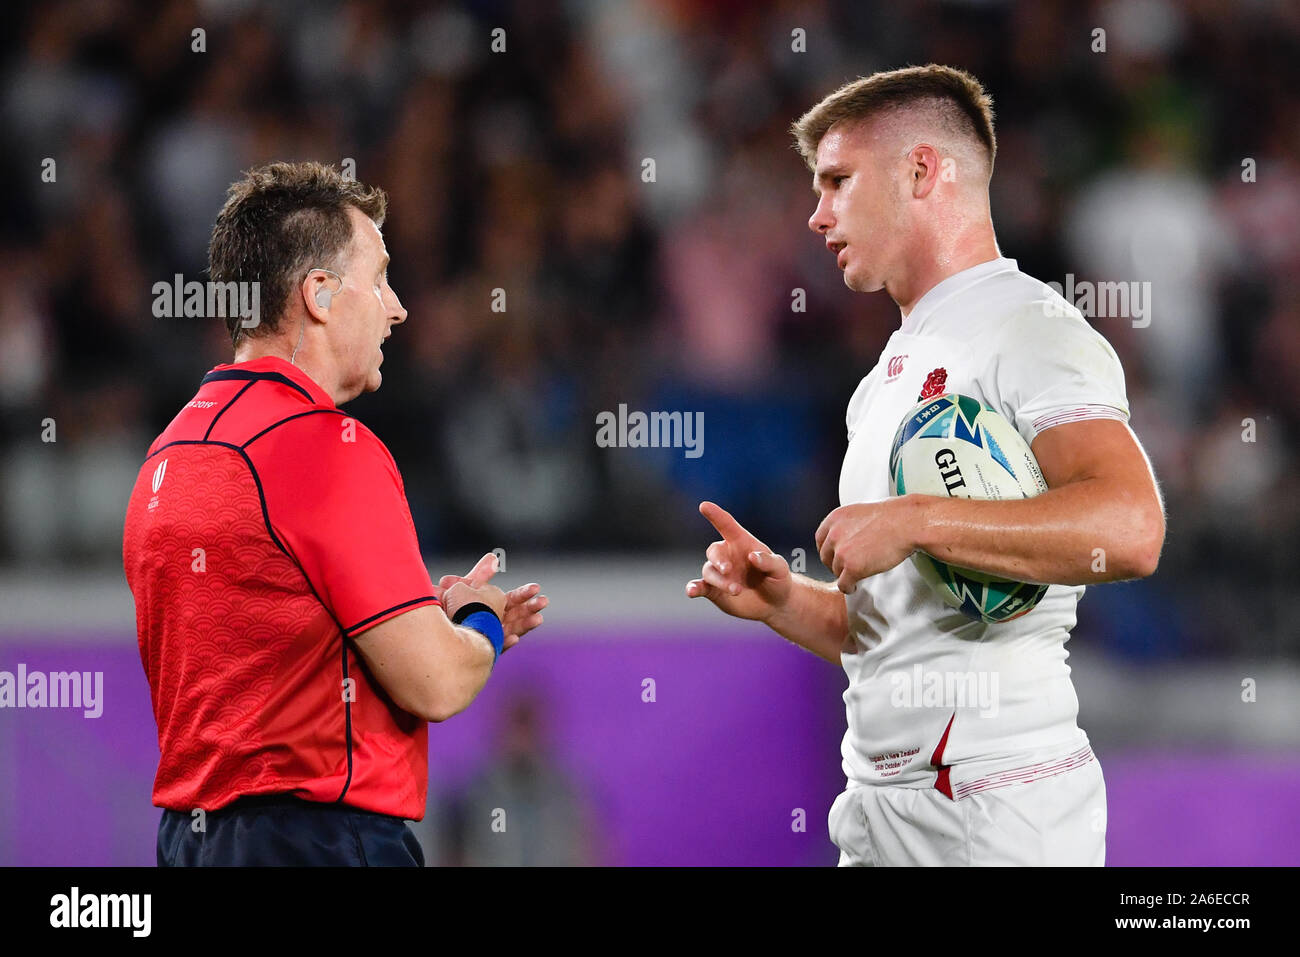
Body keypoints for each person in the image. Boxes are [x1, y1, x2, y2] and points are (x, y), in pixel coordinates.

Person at [686, 65, 1165, 866]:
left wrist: (918, 519)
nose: (816, 214)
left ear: (919, 171)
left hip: (994, 800)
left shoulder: (1031, 328)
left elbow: (1132, 527)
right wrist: (786, 601)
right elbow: (897, 634)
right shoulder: (881, 381)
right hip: (880, 805)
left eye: (838, 181)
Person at [122, 161, 547, 866]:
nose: (397, 308)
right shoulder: (325, 446)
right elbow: (438, 681)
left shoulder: (167, 453)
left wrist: (413, 612)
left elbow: (273, 646)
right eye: (379, 279)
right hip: (319, 841)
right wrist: (480, 623)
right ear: (319, 294)